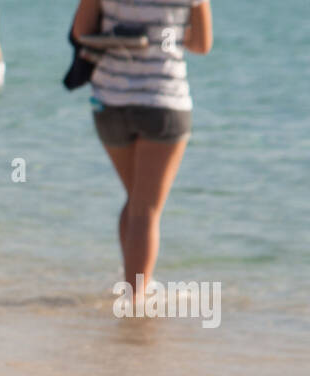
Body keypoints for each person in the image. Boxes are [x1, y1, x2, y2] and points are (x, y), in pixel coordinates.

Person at [71, 0, 212, 304]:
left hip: (110, 101)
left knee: (137, 203)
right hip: (163, 102)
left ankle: (133, 285)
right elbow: (202, 45)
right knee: (145, 210)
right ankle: (135, 303)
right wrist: (169, 36)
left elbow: (81, 32)